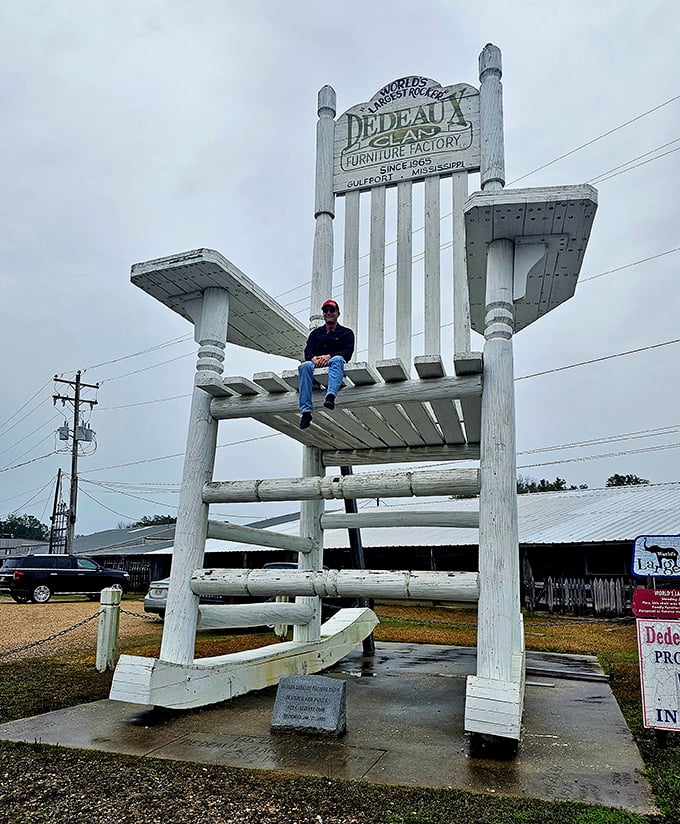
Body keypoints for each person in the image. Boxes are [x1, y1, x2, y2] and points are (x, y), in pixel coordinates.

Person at [298, 299, 354, 429]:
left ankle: (330, 396)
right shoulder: (315, 334)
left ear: (337, 313)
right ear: (323, 314)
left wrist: (329, 356)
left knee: (338, 359)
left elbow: (347, 353)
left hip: (335, 365)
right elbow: (308, 351)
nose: (328, 313)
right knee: (304, 366)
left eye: (332, 310)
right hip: (316, 365)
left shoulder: (346, 333)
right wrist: (313, 359)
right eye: (326, 310)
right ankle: (306, 412)